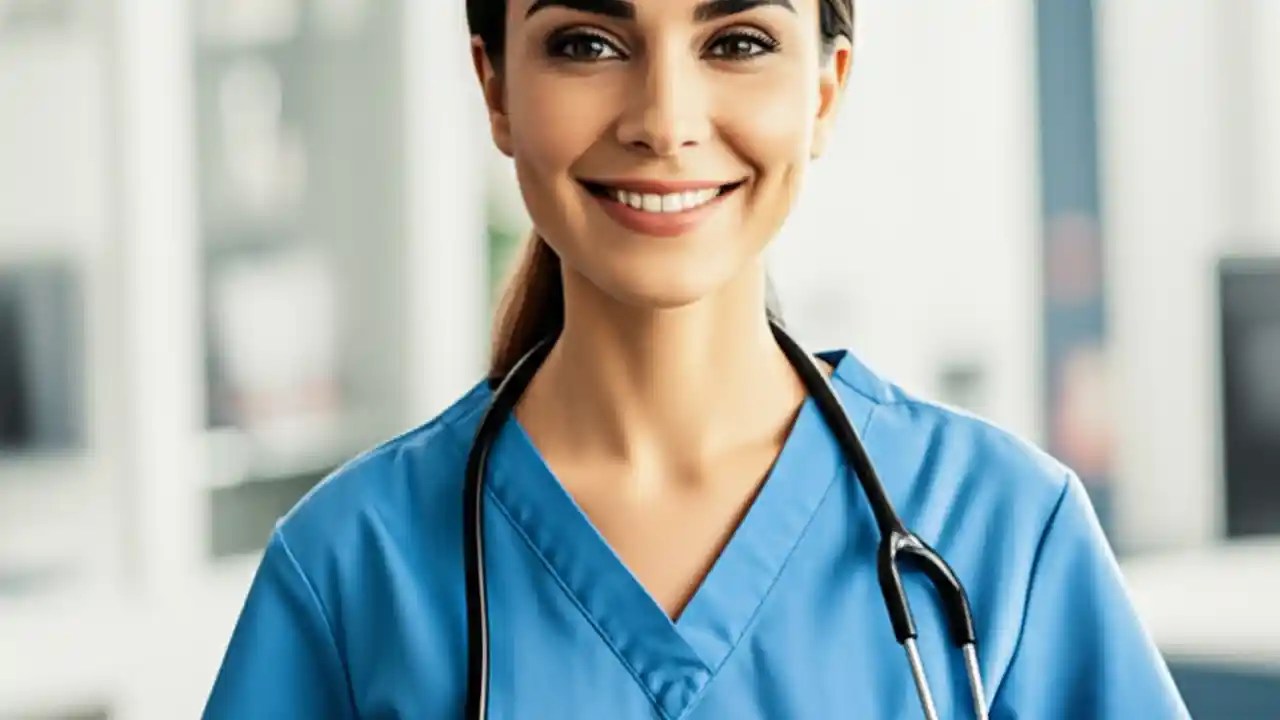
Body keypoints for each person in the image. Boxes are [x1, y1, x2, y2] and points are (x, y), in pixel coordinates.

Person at [203, 0, 1190, 717]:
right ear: (495, 87)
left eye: (737, 42)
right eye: (587, 43)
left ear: (825, 90)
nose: (663, 120)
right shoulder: (348, 571)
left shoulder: (1004, 533)